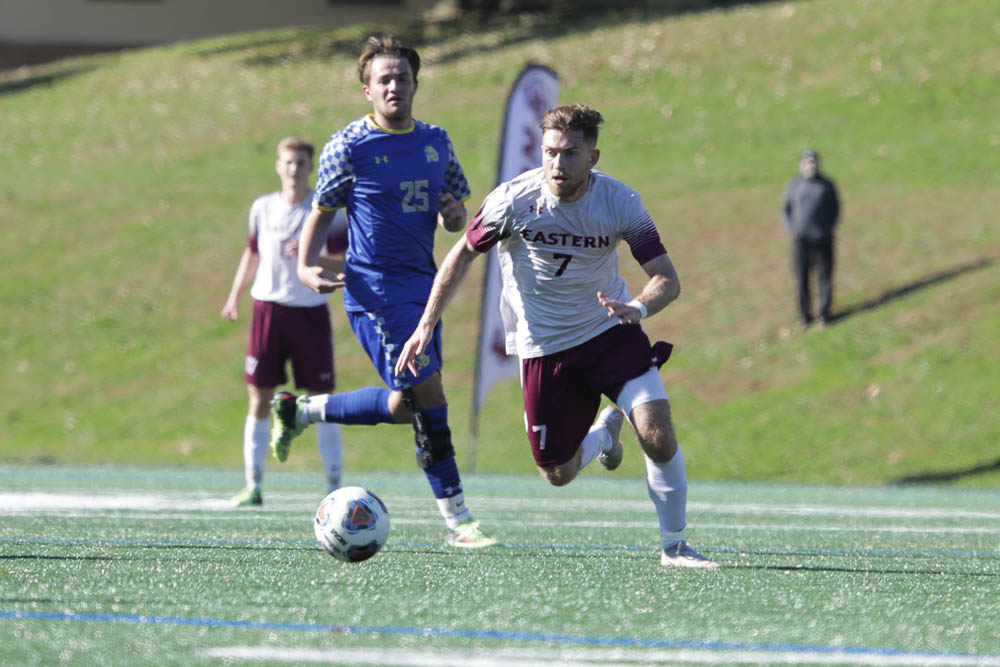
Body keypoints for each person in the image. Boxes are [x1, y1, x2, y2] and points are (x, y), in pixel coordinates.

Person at [395, 104, 719, 569]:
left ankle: (676, 546)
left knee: (656, 432)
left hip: (611, 331)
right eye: (550, 152)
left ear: (594, 157)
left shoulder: (621, 202)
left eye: (570, 153)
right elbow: (462, 254)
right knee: (558, 473)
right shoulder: (512, 200)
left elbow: (667, 277)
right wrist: (426, 324)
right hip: (544, 347)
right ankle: (604, 439)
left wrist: (639, 307)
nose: (557, 164)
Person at [268, 35, 498, 548]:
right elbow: (321, 209)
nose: (394, 85)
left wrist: (452, 214)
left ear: (417, 83)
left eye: (403, 77)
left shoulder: (436, 140)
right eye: (384, 79)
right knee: (431, 395)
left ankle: (299, 411)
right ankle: (460, 522)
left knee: (405, 405)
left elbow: (452, 202)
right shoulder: (349, 146)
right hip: (374, 292)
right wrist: (306, 265)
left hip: (425, 288)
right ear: (367, 90)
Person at [221, 136, 348, 507]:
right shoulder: (262, 208)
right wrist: (233, 297)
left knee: (323, 401)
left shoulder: (325, 211)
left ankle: (333, 487)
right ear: (278, 165)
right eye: (288, 162)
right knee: (258, 397)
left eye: (301, 163)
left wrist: (313, 256)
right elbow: (252, 254)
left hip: (309, 312)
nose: (294, 170)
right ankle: (253, 485)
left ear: (311, 168)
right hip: (268, 311)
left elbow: (345, 263)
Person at [782, 149, 840, 329]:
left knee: (824, 277)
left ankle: (824, 314)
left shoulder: (827, 185)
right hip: (801, 240)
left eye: (813, 162)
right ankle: (804, 316)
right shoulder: (794, 185)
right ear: (801, 165)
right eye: (807, 162)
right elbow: (786, 209)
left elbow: (835, 209)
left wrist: (827, 228)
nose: (811, 165)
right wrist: (792, 228)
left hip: (822, 239)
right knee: (802, 279)